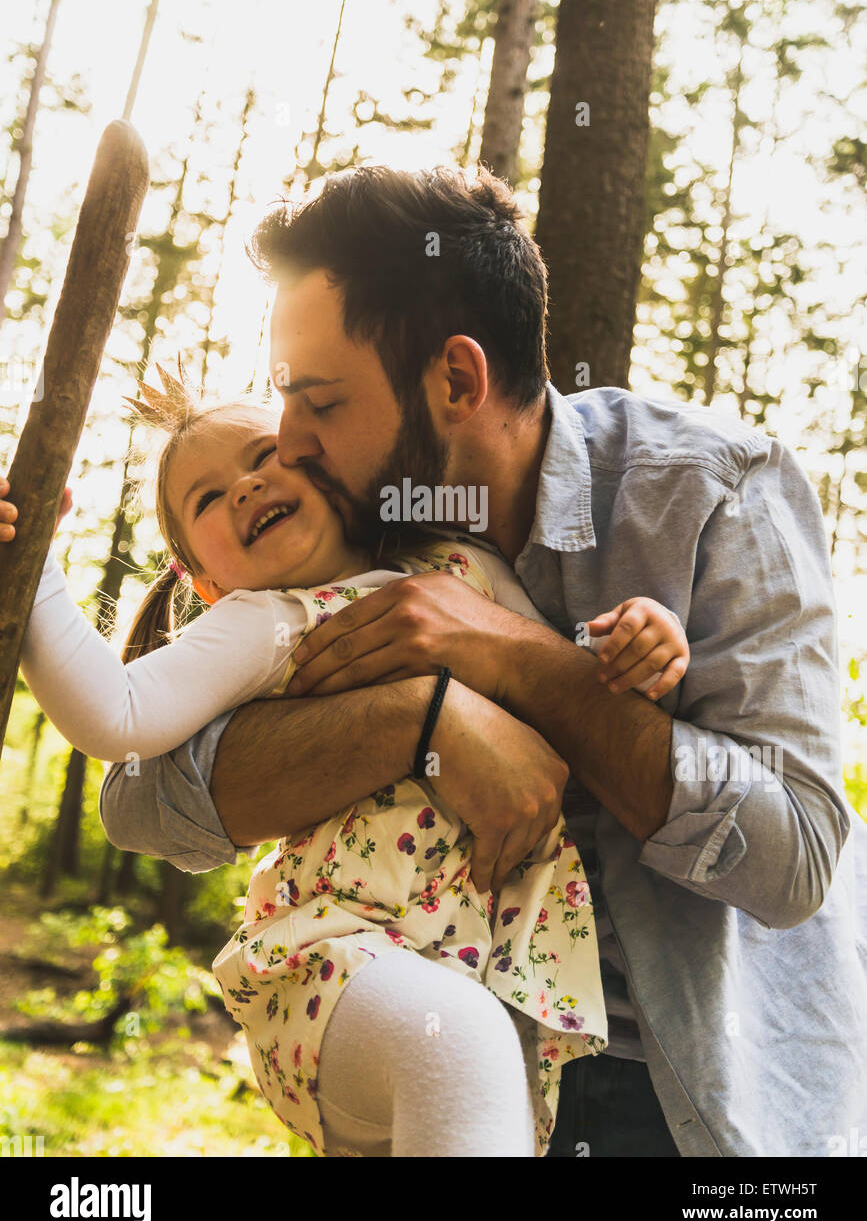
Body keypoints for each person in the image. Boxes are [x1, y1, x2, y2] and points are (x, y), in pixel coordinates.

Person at [31, 164, 867, 1157]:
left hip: (691, 1100)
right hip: (446, 1046)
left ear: (458, 381)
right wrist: (420, 719)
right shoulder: (329, 557)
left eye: (319, 404)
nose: (287, 443)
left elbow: (798, 857)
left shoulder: (711, 494)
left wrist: (521, 665)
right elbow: (144, 798)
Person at [4, 367, 690, 1157]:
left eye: (265, 455)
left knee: (476, 1071)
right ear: (206, 580)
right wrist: (36, 566)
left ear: (329, 467)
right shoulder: (262, 622)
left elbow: (562, 680)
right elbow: (114, 714)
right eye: (206, 499)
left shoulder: (462, 572)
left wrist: (645, 634)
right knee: (458, 1040)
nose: (245, 486)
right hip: (337, 956)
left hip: (497, 964)